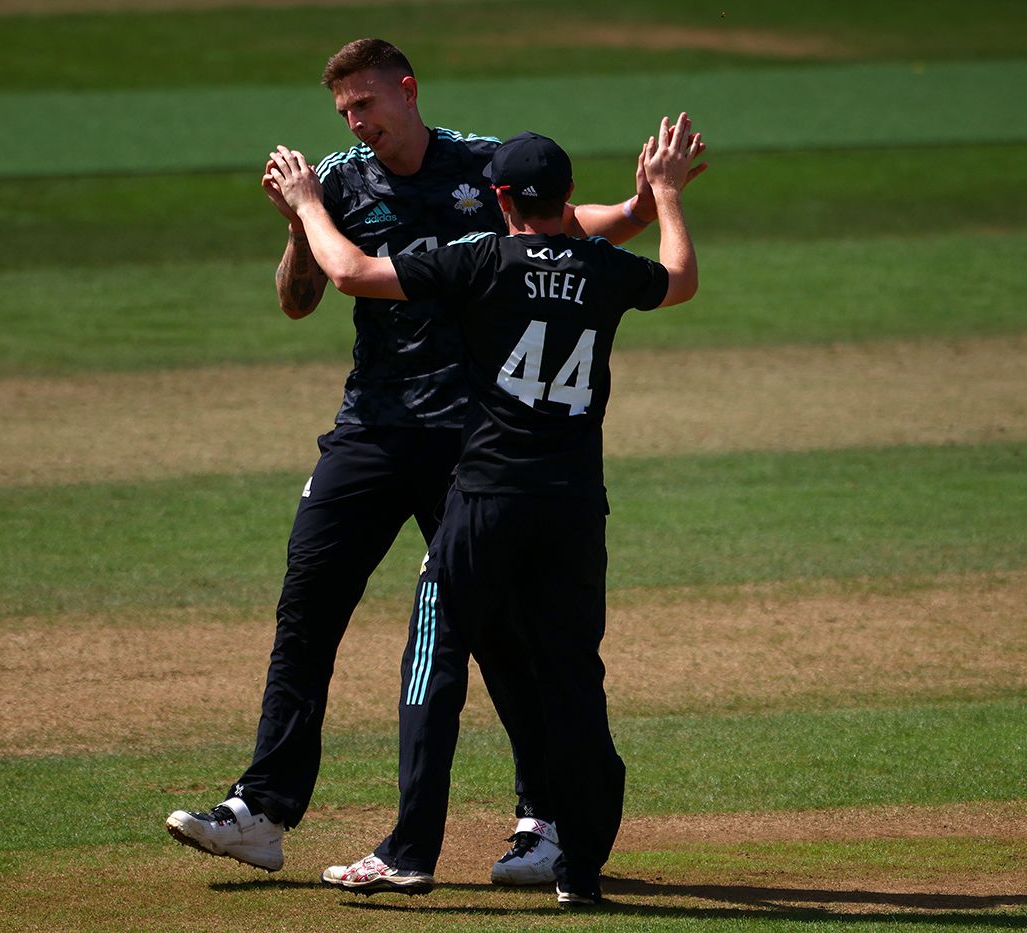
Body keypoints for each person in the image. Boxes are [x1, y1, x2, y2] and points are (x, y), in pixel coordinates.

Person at [165, 38, 704, 883]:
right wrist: (302, 224)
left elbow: (567, 231)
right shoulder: (340, 182)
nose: (357, 124)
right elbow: (299, 299)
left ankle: (544, 820)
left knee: (500, 635)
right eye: (344, 113)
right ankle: (263, 808)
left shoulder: (483, 165)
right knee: (307, 603)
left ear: (406, 91)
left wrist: (637, 207)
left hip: (468, 440)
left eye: (366, 106)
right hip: (372, 426)